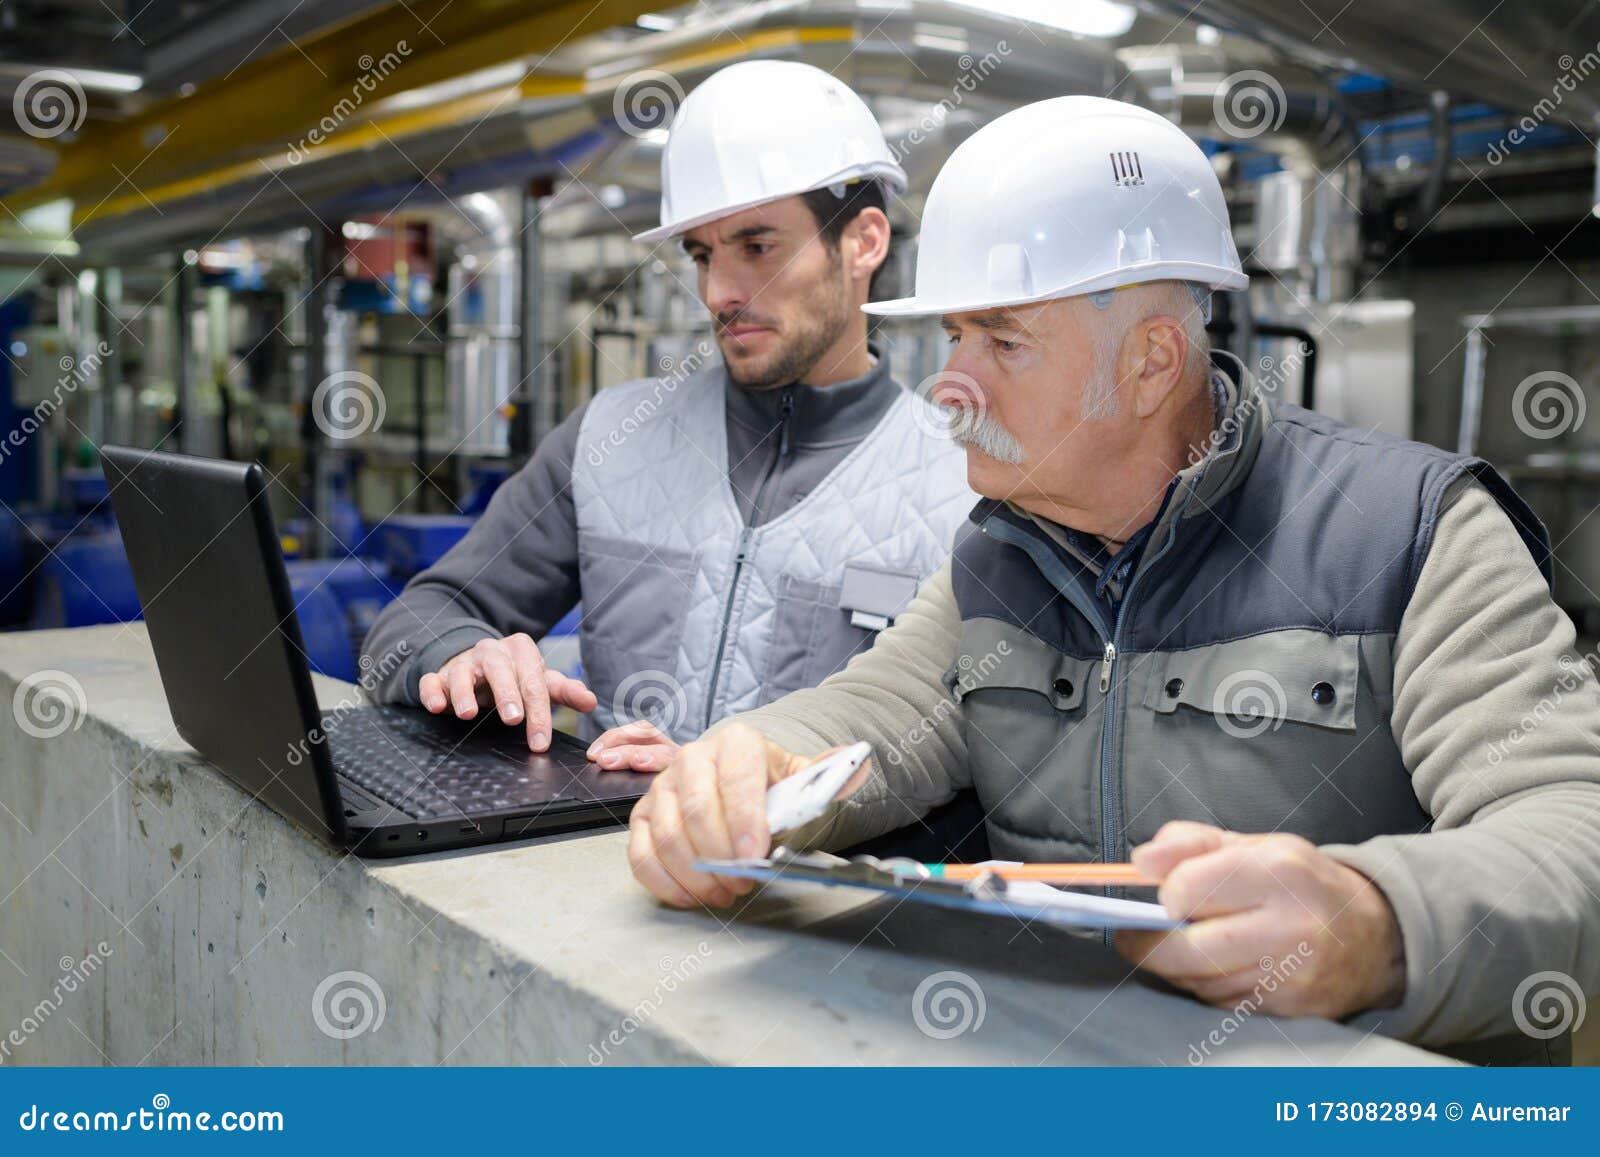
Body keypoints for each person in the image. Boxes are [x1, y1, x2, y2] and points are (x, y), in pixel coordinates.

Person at [624, 96, 1600, 1065]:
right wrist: (754, 765)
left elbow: (1572, 822)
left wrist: (1376, 921)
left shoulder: (1409, 532)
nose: (950, 386)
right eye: (955, 337)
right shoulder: (1003, 553)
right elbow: (878, 709)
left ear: (1149, 362)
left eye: (1001, 341)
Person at [363, 61, 972, 768]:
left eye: (757, 247)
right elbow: (412, 621)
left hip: (817, 847)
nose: (718, 292)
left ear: (863, 242)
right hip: (594, 838)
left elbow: (976, 764)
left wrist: (773, 792)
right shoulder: (608, 440)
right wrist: (460, 654)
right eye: (702, 255)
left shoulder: (963, 488)